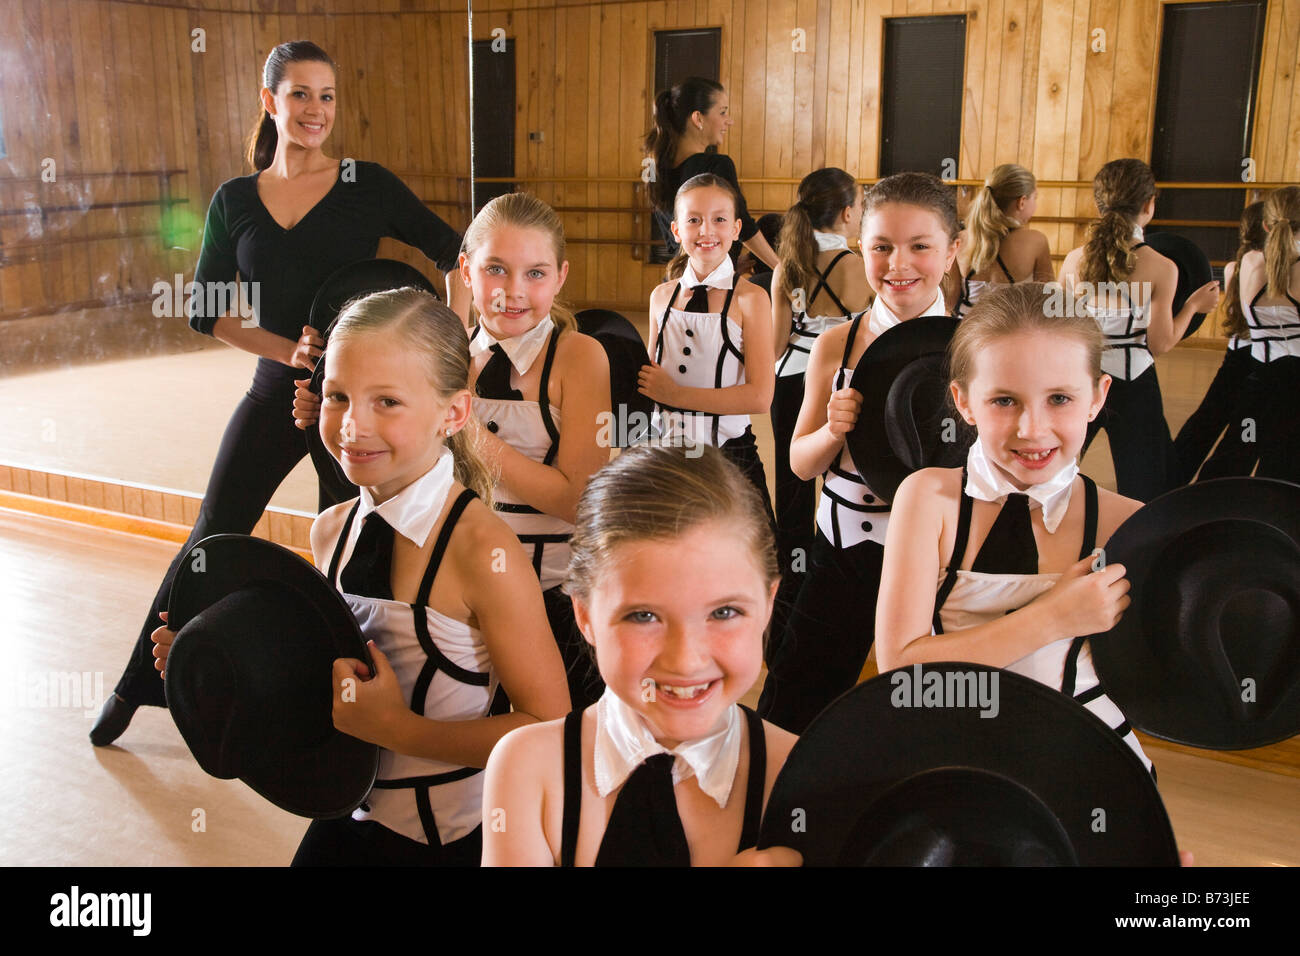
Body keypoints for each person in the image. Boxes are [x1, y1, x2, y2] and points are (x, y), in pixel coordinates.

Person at [91, 41, 472, 746]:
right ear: (270, 102)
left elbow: (455, 252)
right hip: (275, 394)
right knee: (209, 538)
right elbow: (207, 309)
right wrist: (286, 350)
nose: (315, 111)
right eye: (299, 95)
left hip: (354, 408)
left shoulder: (367, 183)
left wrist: (449, 349)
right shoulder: (234, 200)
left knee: (352, 556)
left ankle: (353, 709)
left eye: (327, 96)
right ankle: (133, 690)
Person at [153, 288, 570, 864]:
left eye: (388, 402)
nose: (353, 425)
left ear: (453, 413)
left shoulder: (481, 550)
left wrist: (401, 731)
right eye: (338, 396)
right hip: (345, 817)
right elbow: (322, 682)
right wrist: (217, 659)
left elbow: (551, 731)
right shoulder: (331, 530)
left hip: (448, 841)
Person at [875, 282, 1153, 774]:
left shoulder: (1125, 521)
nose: (1032, 428)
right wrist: (1054, 618)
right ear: (963, 402)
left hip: (1083, 755)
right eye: (1004, 400)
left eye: (1060, 398)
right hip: (952, 754)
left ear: (1097, 396)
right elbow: (900, 668)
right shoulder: (928, 499)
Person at [480, 444, 800, 866]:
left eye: (724, 612)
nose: (686, 660)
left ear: (768, 604)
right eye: (643, 616)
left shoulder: (802, 779)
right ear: (585, 614)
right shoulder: (529, 770)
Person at [757, 171, 958, 734]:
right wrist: (833, 431)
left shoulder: (977, 346)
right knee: (795, 695)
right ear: (859, 247)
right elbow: (799, 462)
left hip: (942, 559)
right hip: (845, 545)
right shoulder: (835, 342)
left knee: (933, 707)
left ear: (952, 250)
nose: (900, 264)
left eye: (921, 246)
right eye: (881, 247)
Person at [459, 193, 614, 710]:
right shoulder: (446, 354)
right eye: (496, 269)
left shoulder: (580, 357)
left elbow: (577, 501)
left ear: (561, 276)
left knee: (566, 739)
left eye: (535, 273)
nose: (512, 292)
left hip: (554, 593)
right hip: (460, 588)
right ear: (466, 270)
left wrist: (468, 434)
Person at [1058, 158, 1219, 502]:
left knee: (1055, 475)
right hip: (1134, 384)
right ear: (1148, 206)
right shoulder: (1162, 267)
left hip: (1079, 380)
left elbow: (1060, 330)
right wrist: (1192, 307)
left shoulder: (1073, 260)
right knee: (1143, 489)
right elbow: (1160, 343)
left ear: (1098, 203)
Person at [768, 168, 870, 647]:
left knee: (792, 492)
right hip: (841, 385)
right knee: (843, 481)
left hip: (789, 382)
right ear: (848, 213)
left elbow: (774, 345)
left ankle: (787, 604)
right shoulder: (859, 265)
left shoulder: (788, 266)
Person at [639, 173, 776, 514]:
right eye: (694, 220)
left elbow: (760, 396)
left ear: (736, 229)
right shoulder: (661, 297)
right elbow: (648, 381)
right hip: (664, 448)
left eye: (719, 220)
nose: (706, 231)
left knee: (753, 558)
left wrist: (676, 396)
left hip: (729, 455)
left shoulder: (752, 299)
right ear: (676, 231)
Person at [1172, 201, 1266, 482]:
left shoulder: (1236, 266)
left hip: (1237, 353)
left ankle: (1173, 477)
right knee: (1244, 428)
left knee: (1209, 419)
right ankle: (1212, 484)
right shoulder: (1266, 266)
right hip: (1258, 357)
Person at [642, 77, 779, 269]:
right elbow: (744, 226)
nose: (728, 121)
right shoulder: (716, 165)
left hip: (681, 281)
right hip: (712, 288)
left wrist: (730, 263)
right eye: (722, 112)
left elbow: (675, 242)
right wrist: (780, 267)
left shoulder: (654, 167)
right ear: (698, 118)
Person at [1234, 185, 1300, 483]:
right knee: (1284, 461)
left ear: (1265, 224)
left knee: (1241, 449)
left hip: (1257, 377)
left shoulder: (1248, 262)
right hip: (1294, 382)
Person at [948, 163, 1053, 318]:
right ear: (1022, 202)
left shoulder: (961, 239)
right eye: (1035, 198)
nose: (1035, 204)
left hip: (965, 328)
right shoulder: (1036, 241)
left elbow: (950, 300)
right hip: (1011, 330)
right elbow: (1048, 299)